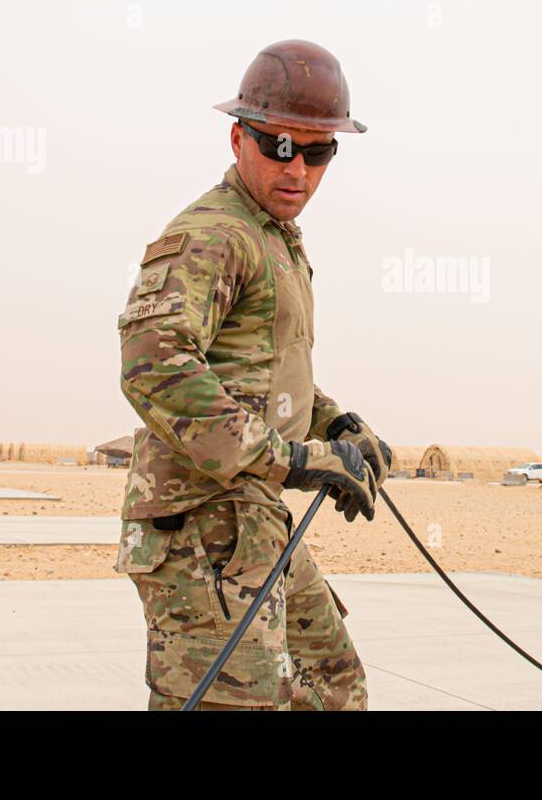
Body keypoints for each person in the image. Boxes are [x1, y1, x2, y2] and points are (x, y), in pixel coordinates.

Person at [113, 39, 391, 710]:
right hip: (200, 527)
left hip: (253, 514)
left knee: (330, 684)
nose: (298, 168)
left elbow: (266, 371)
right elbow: (155, 367)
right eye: (280, 146)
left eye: (318, 150)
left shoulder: (273, 237)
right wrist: (296, 460)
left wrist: (338, 427)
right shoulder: (216, 233)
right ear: (239, 139)